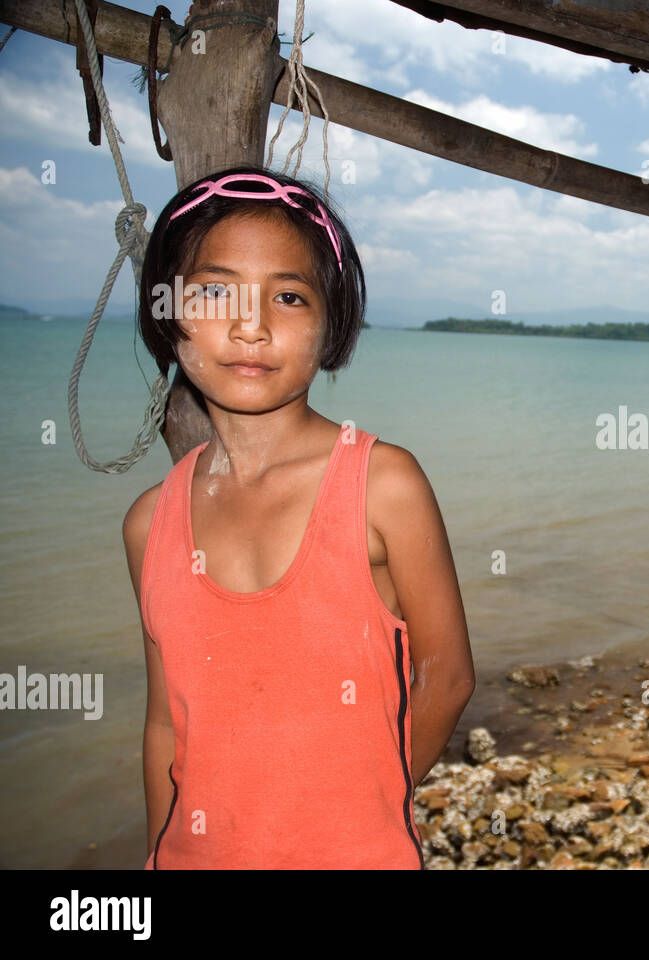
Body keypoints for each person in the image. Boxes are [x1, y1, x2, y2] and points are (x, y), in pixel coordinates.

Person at [120, 166, 473, 868]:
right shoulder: (149, 523)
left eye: (288, 296)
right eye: (216, 291)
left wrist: (359, 808)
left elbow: (448, 673)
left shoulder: (381, 483)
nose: (251, 326)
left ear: (330, 324)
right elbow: (166, 721)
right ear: (169, 312)